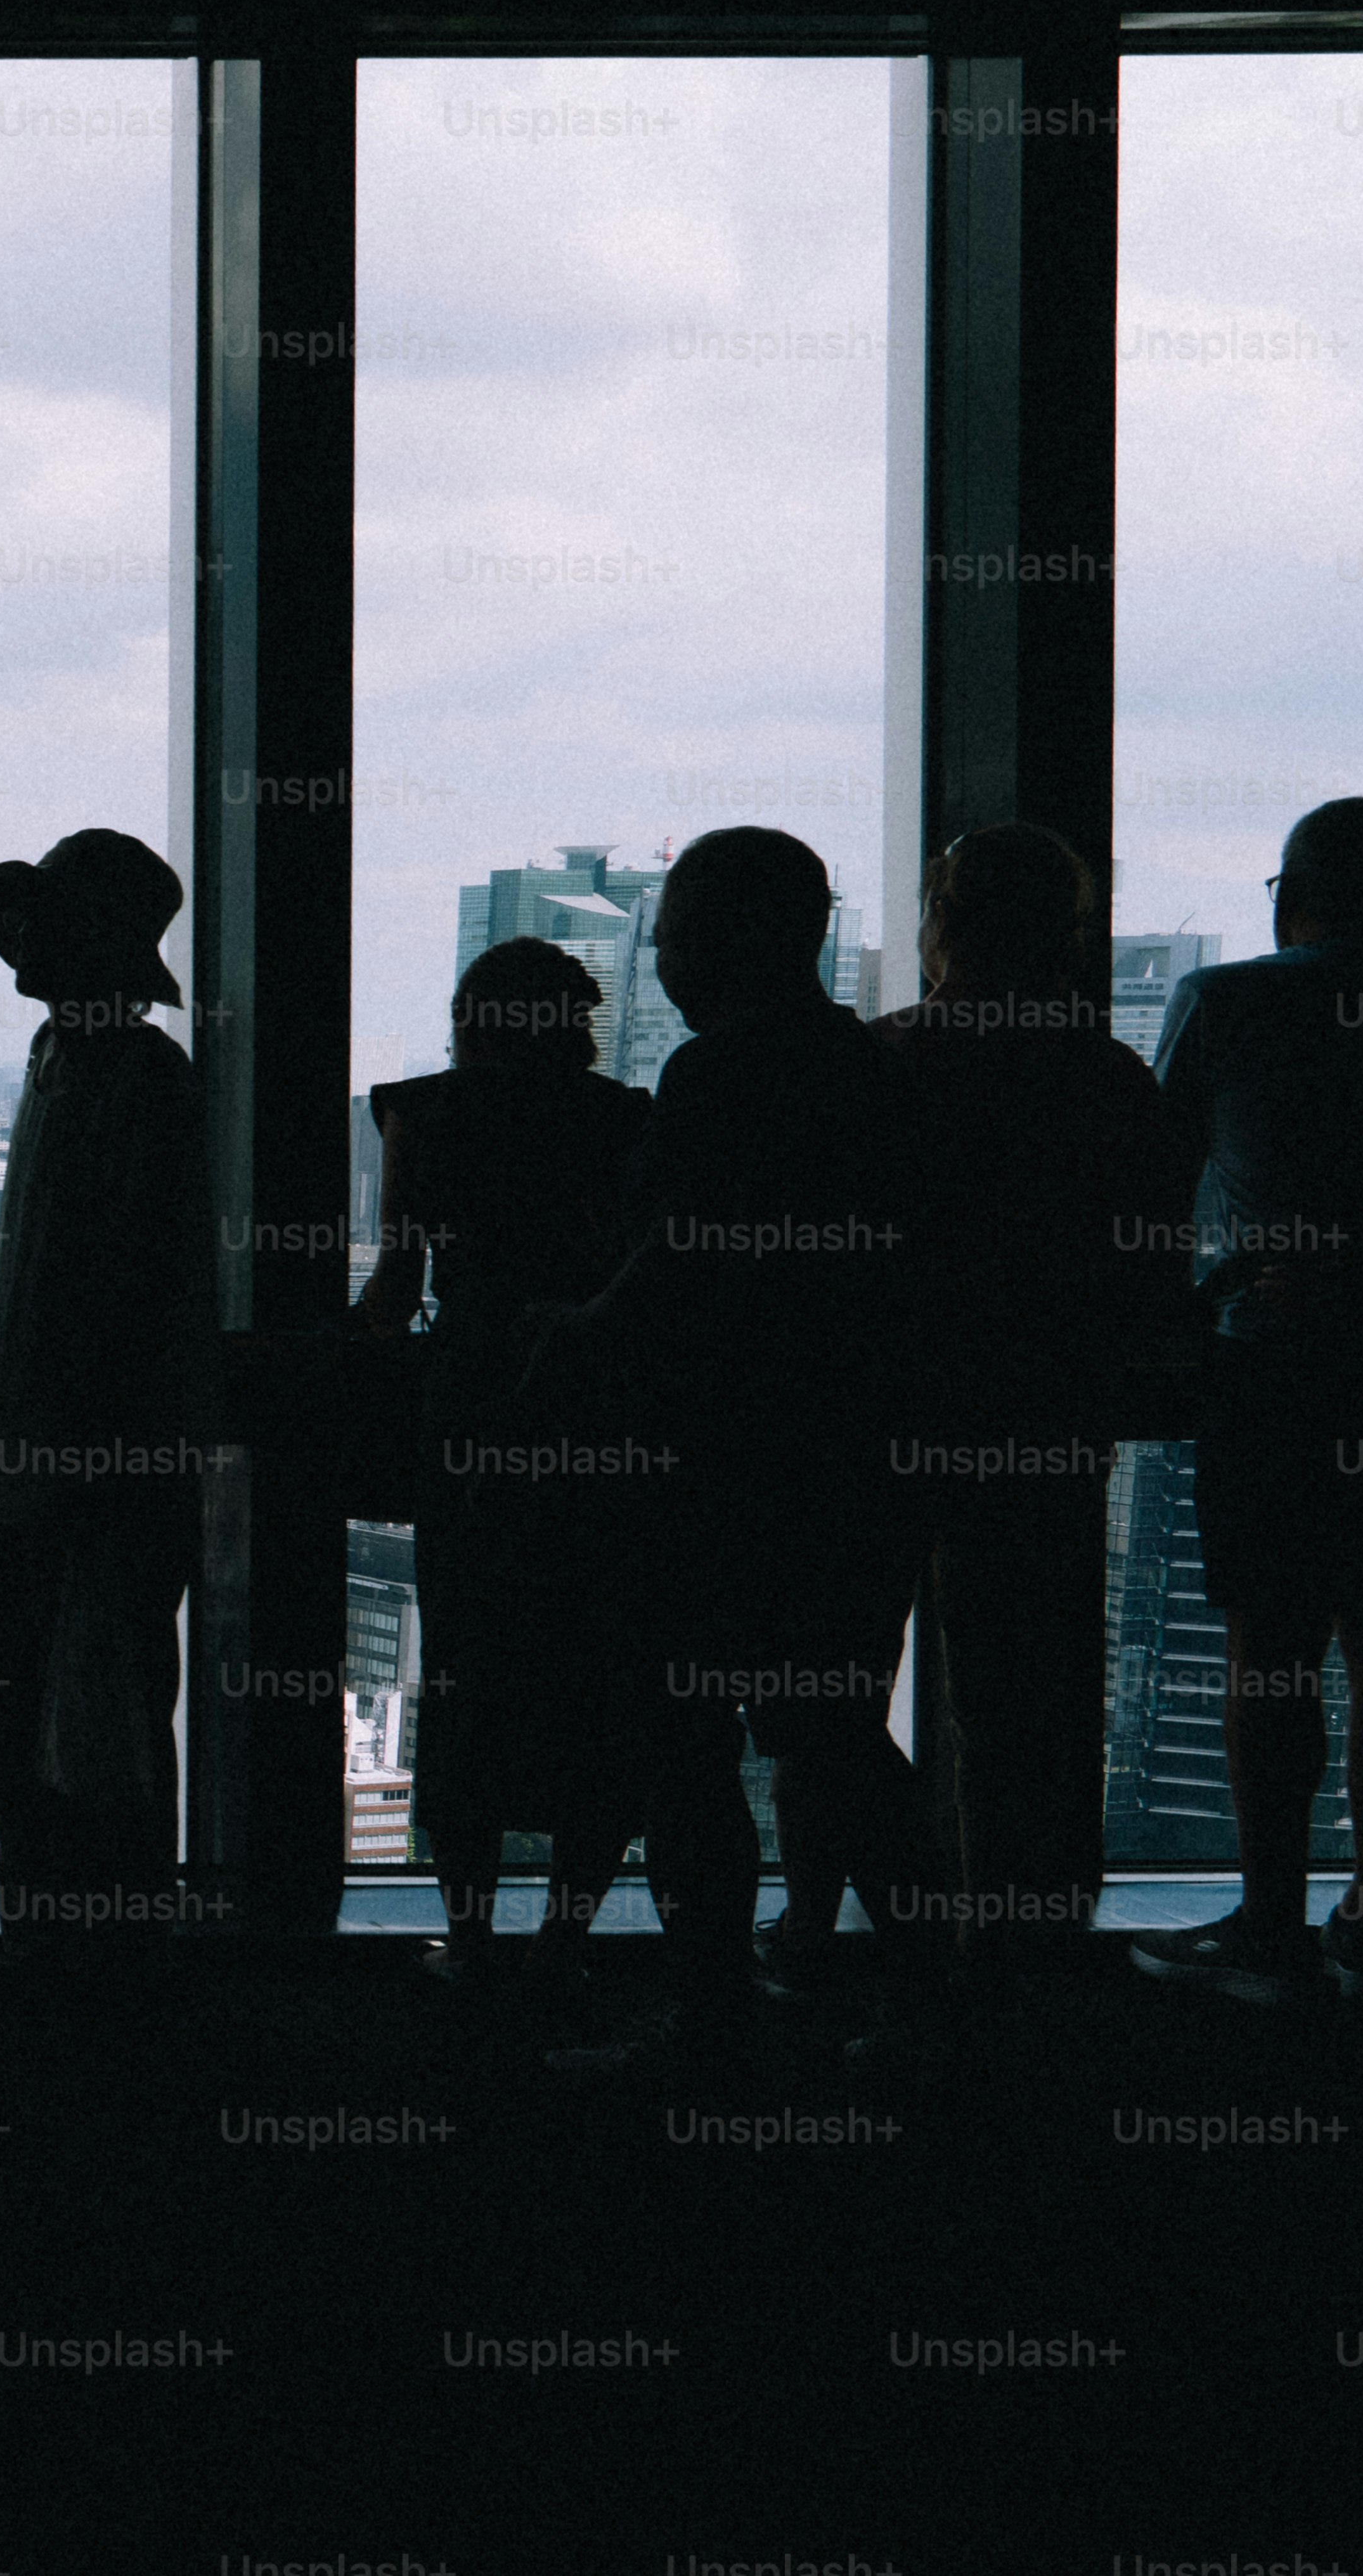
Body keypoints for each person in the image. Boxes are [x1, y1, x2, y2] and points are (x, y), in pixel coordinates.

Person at [534, 826, 931, 2070]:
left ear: (722, 941)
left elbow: (676, 1272)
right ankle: (941, 2002)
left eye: (676, 934)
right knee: (834, 1735)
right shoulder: (874, 1075)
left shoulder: (718, 1078)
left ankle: (710, 2011)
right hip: (852, 1467)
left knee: (684, 1740)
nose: (662, 960)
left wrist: (563, 1337)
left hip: (713, 1473)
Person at [872, 824, 1187, 1981]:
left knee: (834, 1693)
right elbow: (1150, 1269)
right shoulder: (1104, 1077)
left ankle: (887, 1933)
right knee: (1032, 1702)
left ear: (941, 927)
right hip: (1044, 1420)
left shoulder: (888, 1063)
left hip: (881, 1412)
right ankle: (1025, 1944)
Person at [352, 934, 653, 1990]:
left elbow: (396, 1283)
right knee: (598, 1679)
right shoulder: (629, 1121)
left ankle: (472, 1939)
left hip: (473, 1406)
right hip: (601, 1414)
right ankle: (567, 1940)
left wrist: (340, 1377)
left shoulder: (421, 1112)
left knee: (470, 1675)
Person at [0, 827, 207, 1974]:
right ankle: (63, 1929)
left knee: (90, 1705)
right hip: (50, 1451)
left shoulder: (135, 1075)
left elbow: (113, 1273)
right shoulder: (71, 1058)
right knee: (54, 1692)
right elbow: (49, 1239)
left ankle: (91, 1943)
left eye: (43, 921)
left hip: (87, 1462)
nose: (21, 943)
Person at [1130, 797, 1363, 2000]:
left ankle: (1272, 1917)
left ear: (1287, 896)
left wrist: (1199, 1293)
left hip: (1276, 1360)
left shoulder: (1234, 1003)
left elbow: (1154, 1178)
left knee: (1271, 1650)